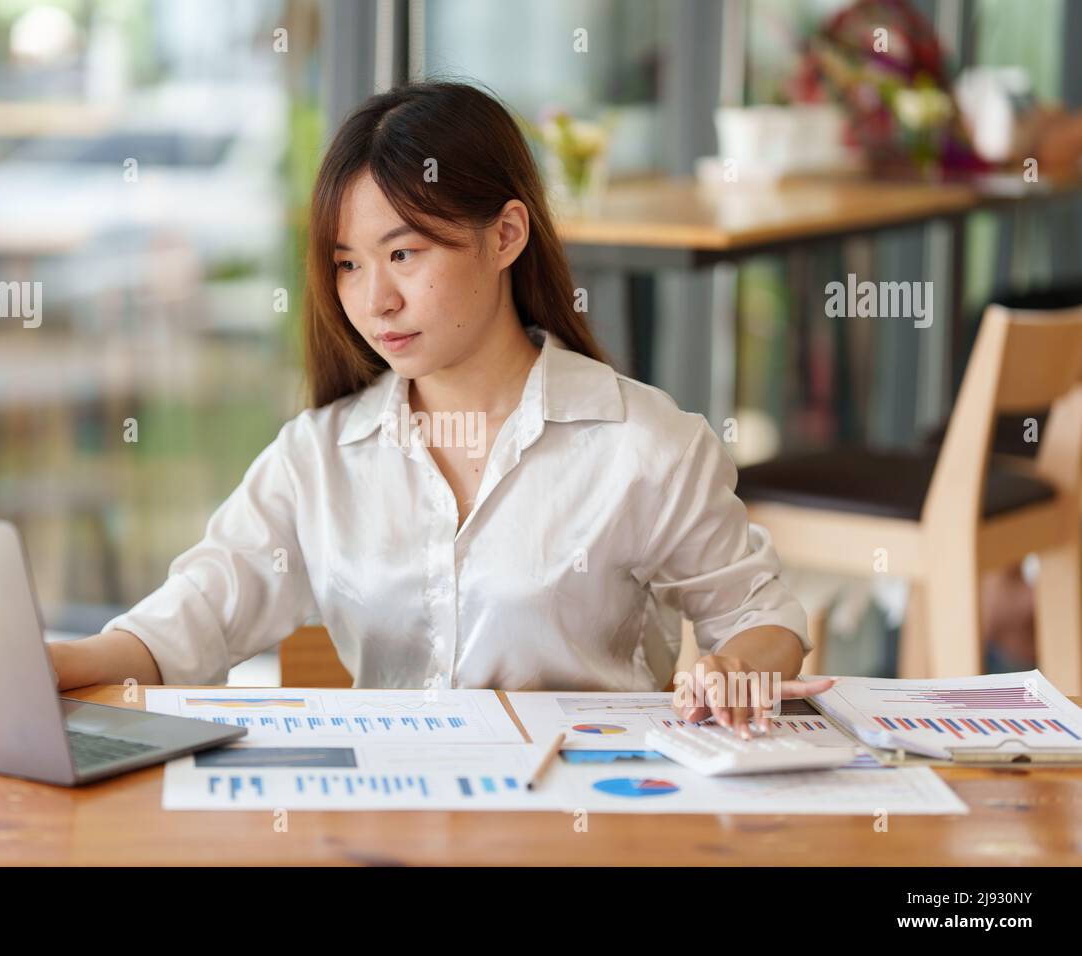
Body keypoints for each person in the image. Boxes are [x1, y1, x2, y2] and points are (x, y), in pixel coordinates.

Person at [48, 80, 833, 735]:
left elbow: (765, 618)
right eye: (348, 264)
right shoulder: (319, 457)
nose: (375, 299)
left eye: (404, 254)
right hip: (386, 820)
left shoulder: (642, 443)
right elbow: (190, 622)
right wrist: (56, 661)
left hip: (587, 822)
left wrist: (736, 668)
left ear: (506, 236)